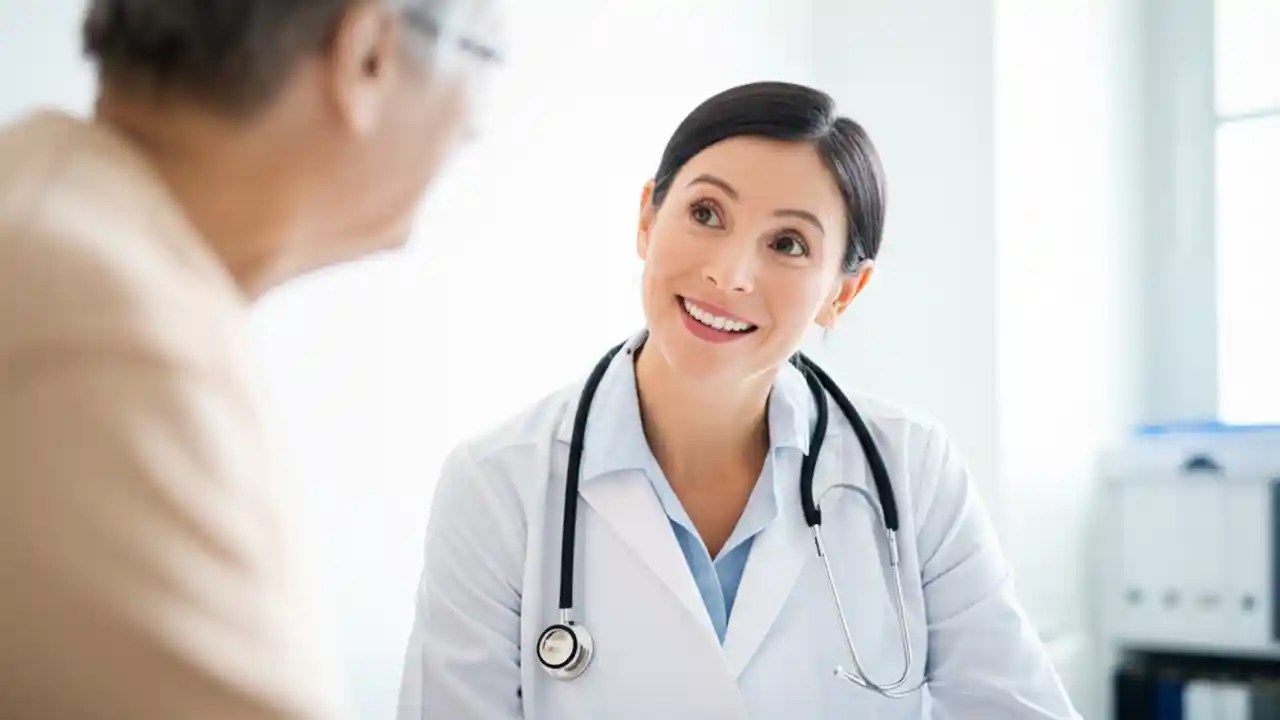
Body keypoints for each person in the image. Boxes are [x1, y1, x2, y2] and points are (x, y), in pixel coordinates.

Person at [397, 81, 1081, 719]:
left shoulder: (913, 471)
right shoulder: (496, 485)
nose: (730, 273)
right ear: (646, 218)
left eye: (787, 243)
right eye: (706, 213)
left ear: (843, 293)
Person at [0, 1, 502, 717]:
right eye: (488, 55)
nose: (479, 125)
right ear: (368, 55)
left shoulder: (52, 207)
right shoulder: (102, 333)